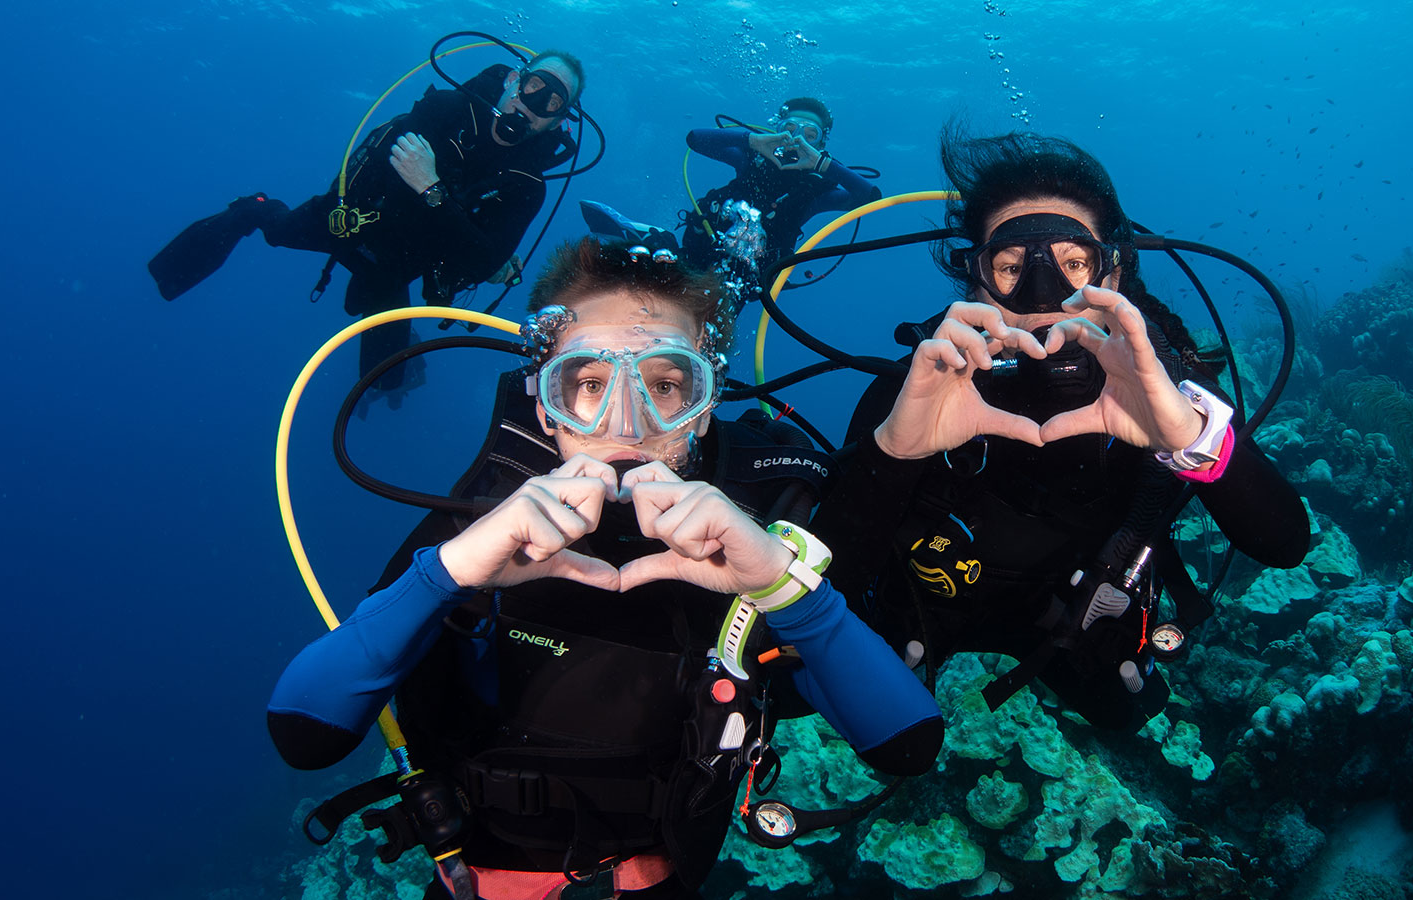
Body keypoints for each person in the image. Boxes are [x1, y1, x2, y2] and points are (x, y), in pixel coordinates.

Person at [268, 238, 943, 899]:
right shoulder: (479, 522)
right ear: (544, 406)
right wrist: (445, 574)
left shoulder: (758, 534)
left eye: (666, 386)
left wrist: (781, 585)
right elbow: (305, 731)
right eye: (588, 383)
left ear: (704, 413)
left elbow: (906, 745)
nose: (627, 420)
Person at [811, 125, 1310, 732]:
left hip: (1078, 612)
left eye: (1074, 264)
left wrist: (1191, 440)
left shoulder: (1164, 388)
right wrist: (893, 452)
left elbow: (1285, 545)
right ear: (975, 281)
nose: (1045, 296)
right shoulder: (921, 386)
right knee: (869, 719)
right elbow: (823, 583)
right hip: (929, 602)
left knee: (1125, 716)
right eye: (1011, 265)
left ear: (1113, 277)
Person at [149, 51, 586, 396]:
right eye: (533, 85)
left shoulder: (527, 185)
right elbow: (391, 176)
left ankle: (395, 372)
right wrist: (441, 208)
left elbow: (480, 262)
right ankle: (251, 208)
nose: (533, 104)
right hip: (344, 222)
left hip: (395, 267)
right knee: (277, 231)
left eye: (551, 101)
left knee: (386, 379)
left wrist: (431, 188)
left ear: (558, 119)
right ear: (513, 79)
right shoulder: (446, 109)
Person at [580, 97, 879, 308]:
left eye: (809, 135)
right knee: (669, 275)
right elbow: (696, 139)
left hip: (749, 276)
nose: (796, 140)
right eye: (789, 129)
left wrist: (823, 165)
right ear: (777, 130)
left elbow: (870, 198)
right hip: (703, 245)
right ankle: (651, 239)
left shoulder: (817, 191)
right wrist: (752, 141)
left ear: (821, 143)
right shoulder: (752, 161)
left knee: (707, 321)